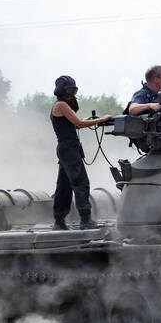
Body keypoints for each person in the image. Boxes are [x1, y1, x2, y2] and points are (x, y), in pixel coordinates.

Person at [50, 75, 111, 229]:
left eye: (73, 89)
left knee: (63, 186)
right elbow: (79, 123)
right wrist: (102, 119)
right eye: (70, 89)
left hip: (66, 149)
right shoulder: (62, 105)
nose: (72, 93)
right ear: (61, 90)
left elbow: (73, 124)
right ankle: (85, 220)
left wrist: (90, 119)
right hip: (69, 149)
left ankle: (59, 221)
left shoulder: (60, 106)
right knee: (81, 182)